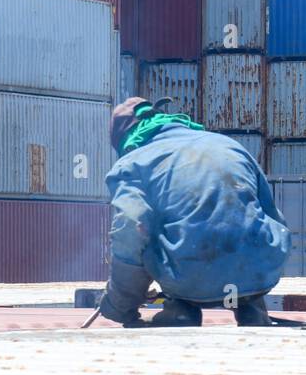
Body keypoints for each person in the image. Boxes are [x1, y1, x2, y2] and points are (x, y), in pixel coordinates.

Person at [95, 97, 291, 327]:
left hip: (189, 281)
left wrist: (120, 304)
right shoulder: (228, 145)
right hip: (260, 273)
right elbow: (272, 215)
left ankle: (180, 309)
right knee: (240, 225)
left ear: (126, 139)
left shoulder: (131, 164)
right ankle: (251, 307)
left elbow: (131, 228)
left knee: (153, 228)